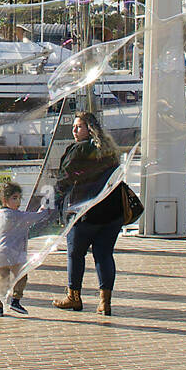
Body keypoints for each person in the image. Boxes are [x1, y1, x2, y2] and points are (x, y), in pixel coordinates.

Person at [52, 111, 123, 315]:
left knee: (75, 254)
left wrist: (57, 203)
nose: (74, 130)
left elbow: (64, 179)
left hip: (85, 211)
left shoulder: (79, 149)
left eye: (79, 127)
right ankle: (104, 302)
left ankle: (74, 297)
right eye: (74, 127)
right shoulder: (109, 149)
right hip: (112, 212)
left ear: (89, 129)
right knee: (104, 254)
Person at [0, 182, 53, 316]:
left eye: (19, 198)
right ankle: (15, 300)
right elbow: (36, 217)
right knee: (21, 277)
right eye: (14, 198)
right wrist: (44, 209)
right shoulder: (17, 216)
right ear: (4, 200)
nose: (18, 201)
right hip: (15, 254)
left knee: (2, 280)